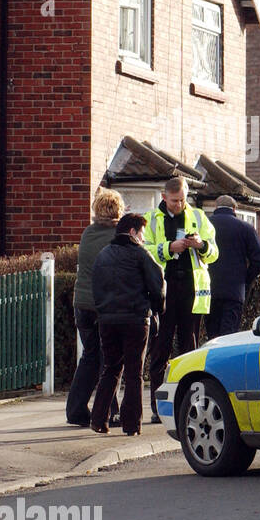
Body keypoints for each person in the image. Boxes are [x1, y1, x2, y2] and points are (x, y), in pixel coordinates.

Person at [143, 177, 218, 422]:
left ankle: (191, 406)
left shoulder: (197, 216)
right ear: (164, 197)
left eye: (183, 199)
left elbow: (214, 252)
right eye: (175, 200)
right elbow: (144, 251)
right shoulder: (152, 219)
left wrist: (201, 244)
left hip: (191, 290)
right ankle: (157, 408)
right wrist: (169, 248)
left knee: (190, 350)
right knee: (160, 350)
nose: (179, 204)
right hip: (163, 291)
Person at [90, 214, 164, 436]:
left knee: (111, 368)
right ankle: (131, 424)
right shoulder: (141, 254)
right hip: (135, 320)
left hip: (107, 320)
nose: (143, 237)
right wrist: (157, 310)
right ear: (132, 232)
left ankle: (99, 419)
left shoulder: (102, 255)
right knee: (134, 372)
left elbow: (95, 287)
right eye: (141, 233)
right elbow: (158, 286)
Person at [67, 188, 124, 427]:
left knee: (90, 356)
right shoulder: (119, 236)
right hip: (105, 305)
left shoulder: (87, 233)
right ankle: (112, 411)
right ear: (117, 210)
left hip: (82, 304)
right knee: (110, 359)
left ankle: (76, 410)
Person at [207, 195, 260, 338]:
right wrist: (245, 279)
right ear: (234, 208)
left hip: (209, 289)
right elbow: (259, 261)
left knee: (212, 335)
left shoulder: (206, 225)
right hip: (234, 291)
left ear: (216, 207)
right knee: (228, 335)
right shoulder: (245, 228)